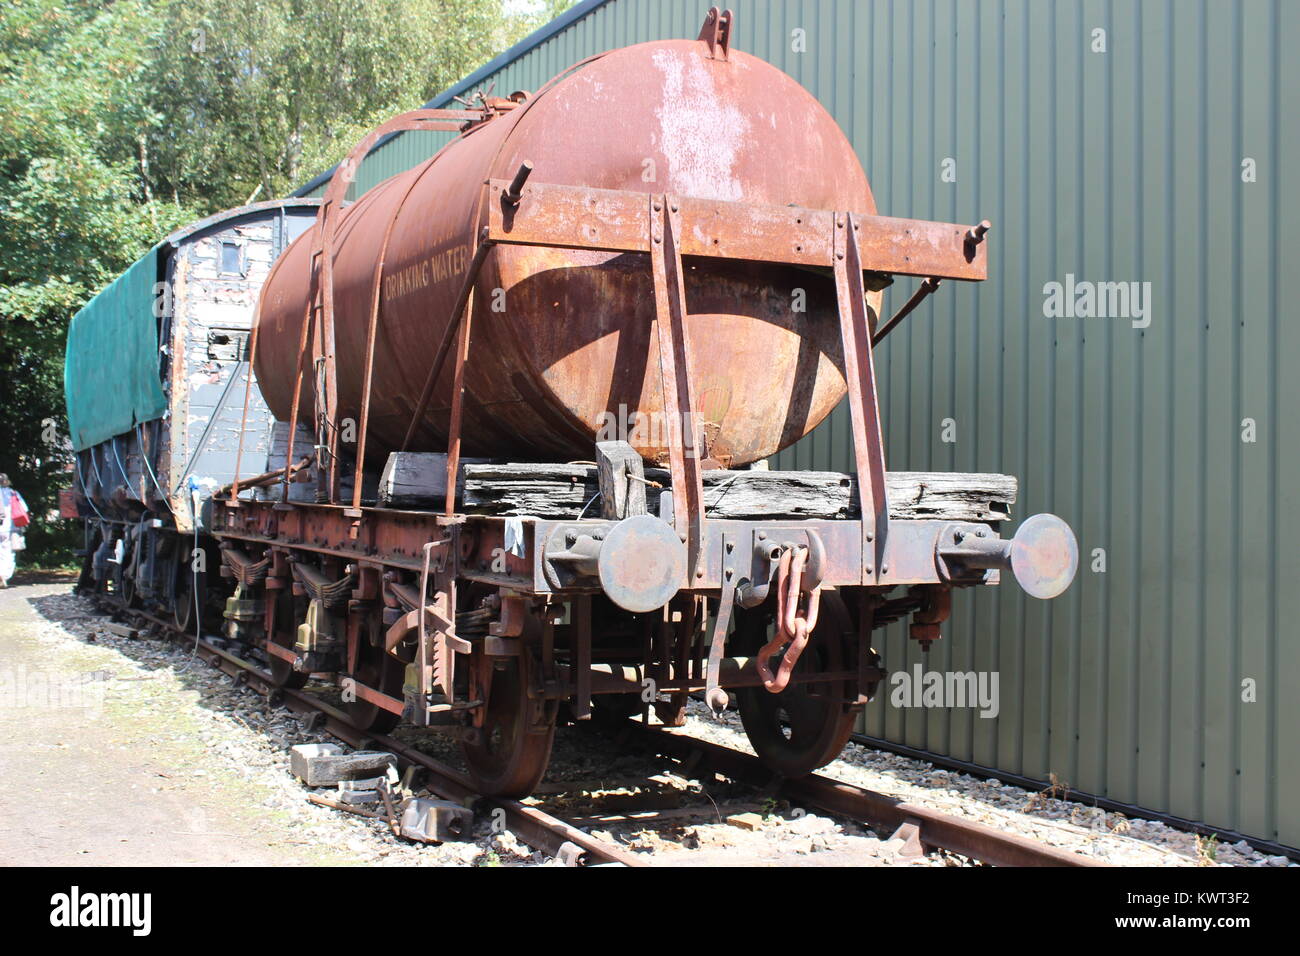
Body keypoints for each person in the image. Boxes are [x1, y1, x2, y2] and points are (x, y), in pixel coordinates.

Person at [0, 474, 29, 587]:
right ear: (7, 482)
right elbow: (24, 509)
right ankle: (4, 575)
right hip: (10, 528)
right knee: (8, 553)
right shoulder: (13, 493)